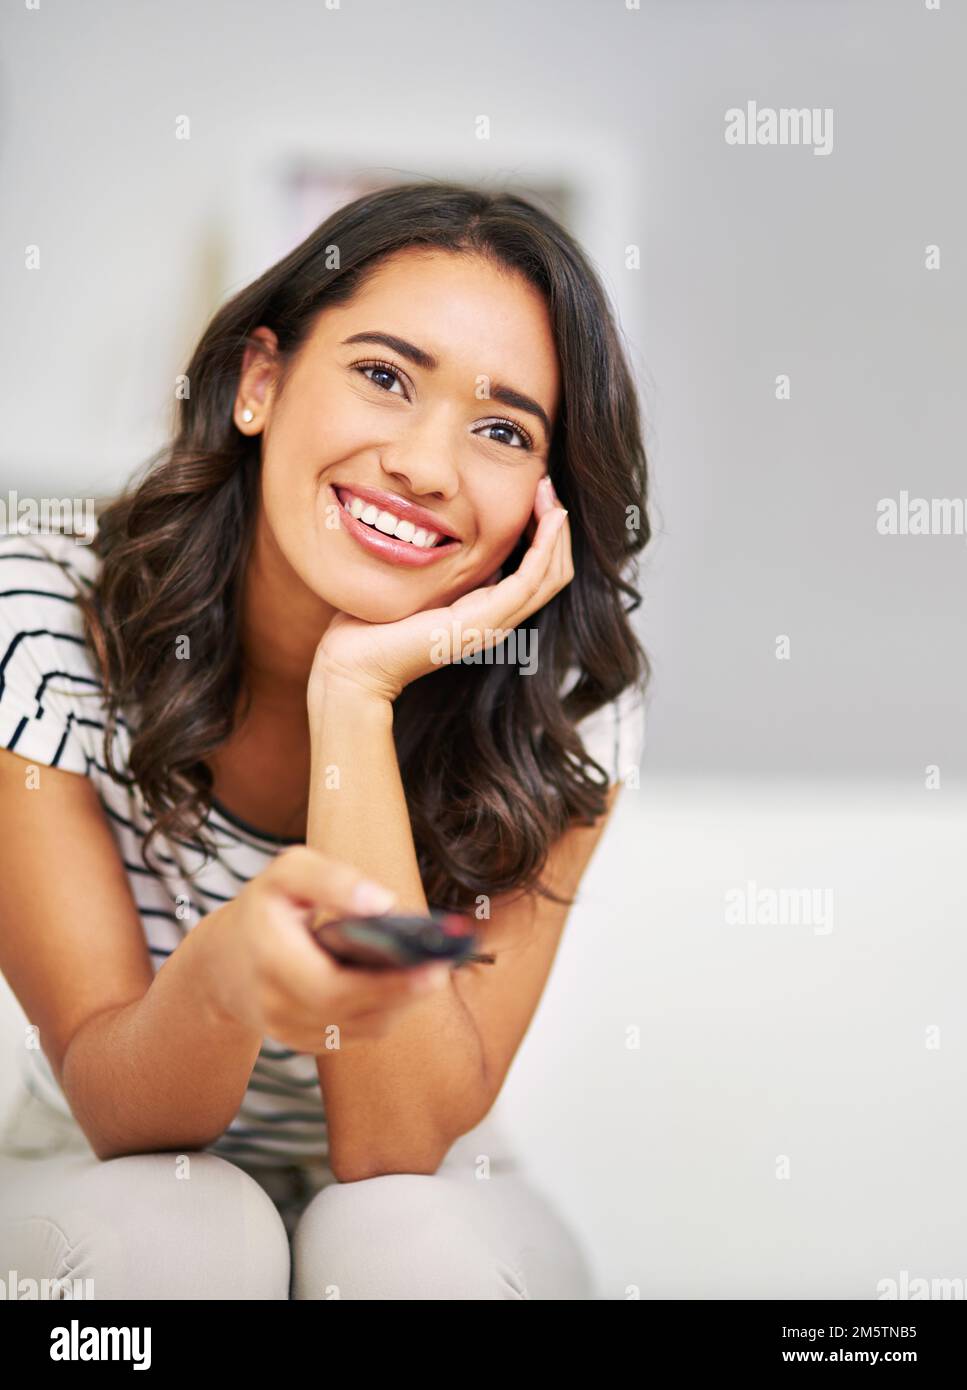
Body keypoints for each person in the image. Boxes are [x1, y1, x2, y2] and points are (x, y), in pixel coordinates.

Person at [0, 181, 649, 1299]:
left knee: (413, 1246)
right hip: (90, 1165)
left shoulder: (569, 706)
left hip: (432, 1181)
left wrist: (354, 693)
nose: (425, 466)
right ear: (262, 381)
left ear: (547, 499)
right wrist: (223, 980)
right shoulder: (44, 614)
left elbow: (391, 1146)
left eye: (501, 429)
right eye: (384, 375)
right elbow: (119, 1109)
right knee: (182, 1232)